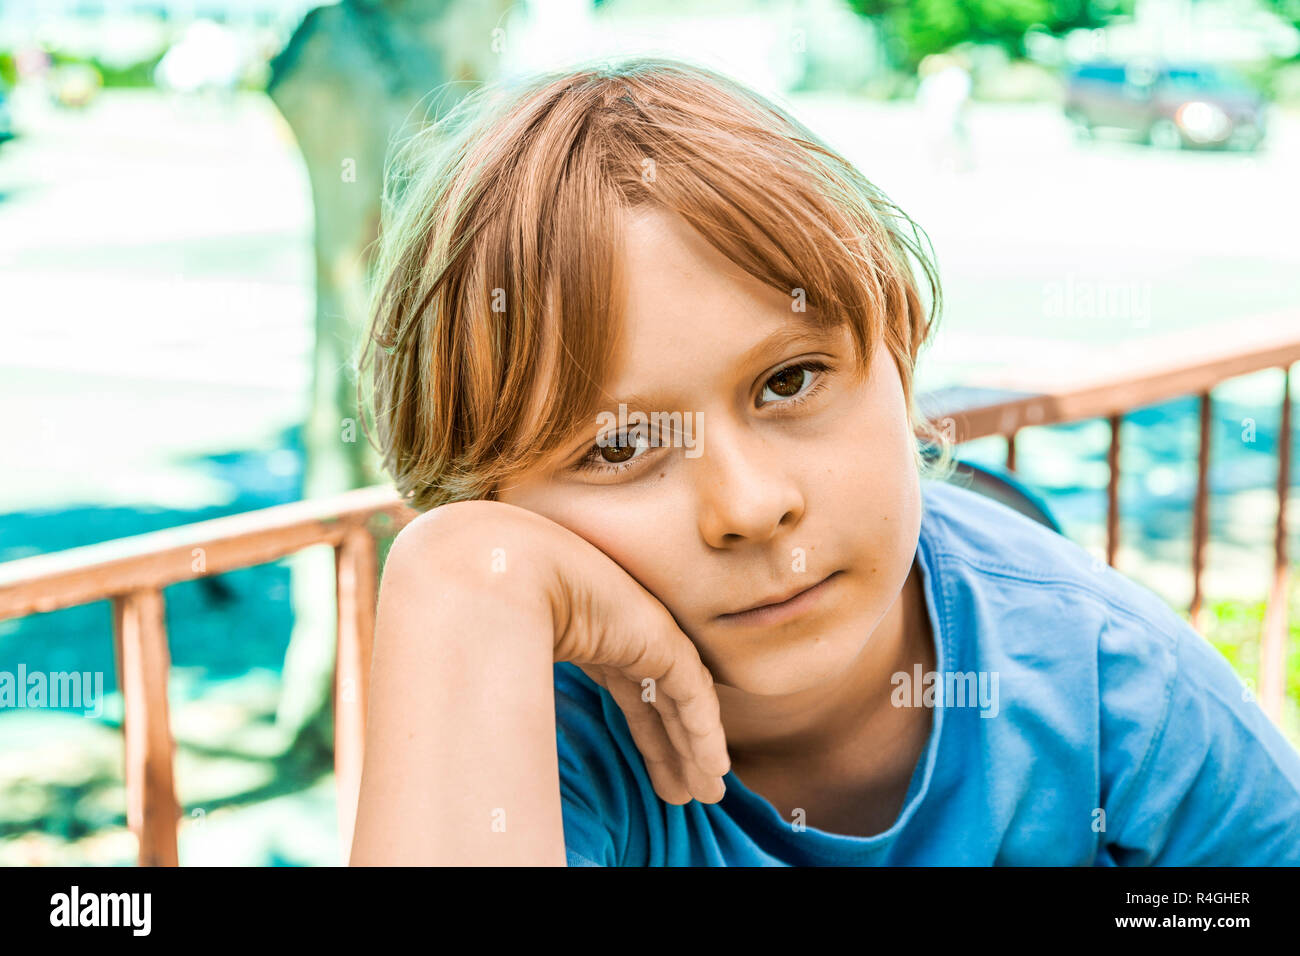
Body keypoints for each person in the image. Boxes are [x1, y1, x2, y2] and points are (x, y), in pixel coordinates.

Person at [348, 55, 1300, 865]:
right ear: (485, 496)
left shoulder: (1110, 685)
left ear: (903, 354)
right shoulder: (534, 737)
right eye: (619, 446)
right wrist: (462, 575)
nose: (751, 507)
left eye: (791, 381)